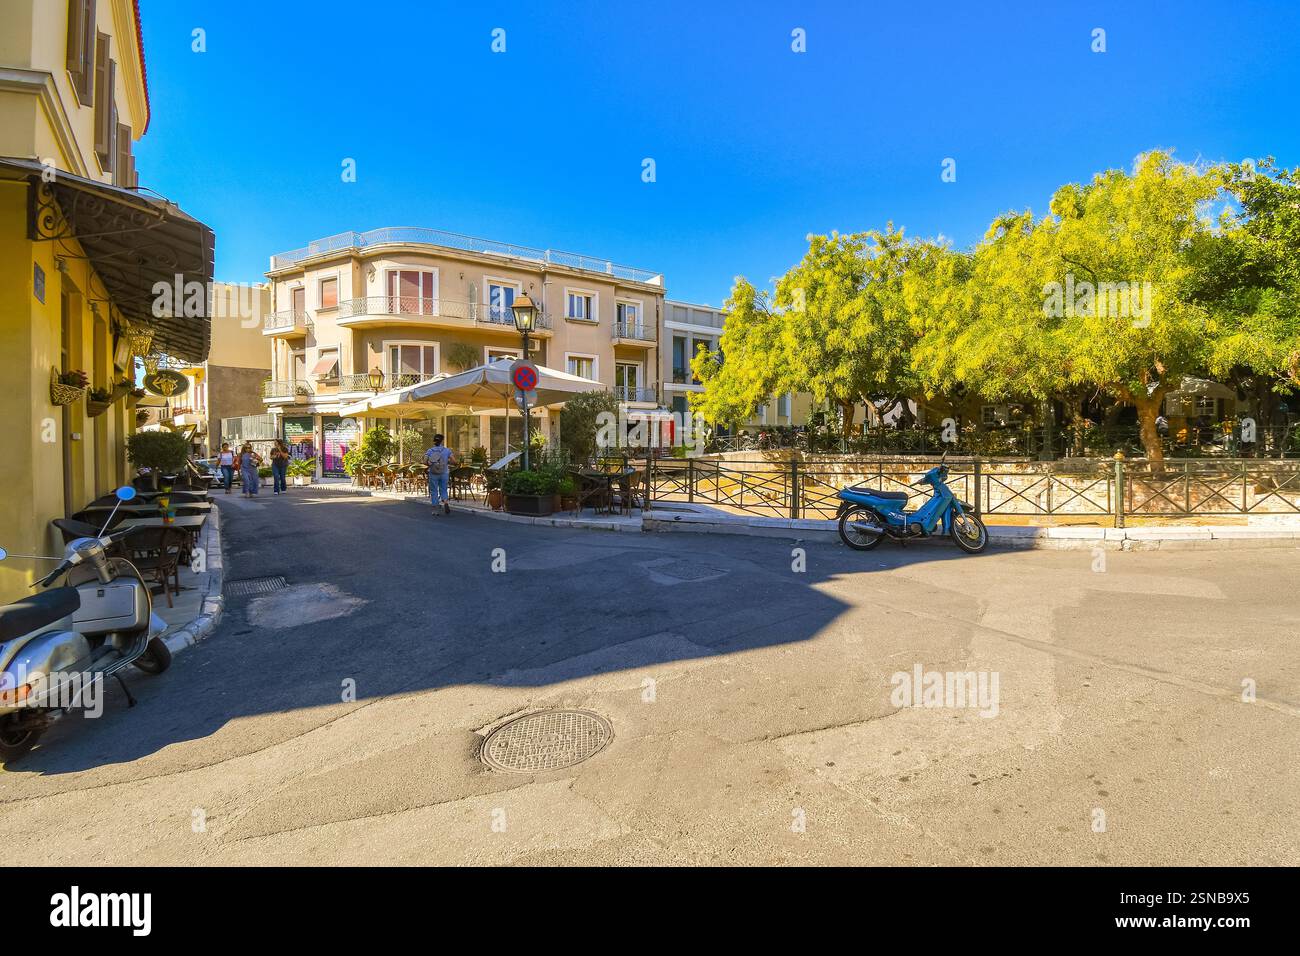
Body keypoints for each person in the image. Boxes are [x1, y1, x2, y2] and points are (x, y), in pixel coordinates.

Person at [424, 434, 456, 516]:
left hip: (433, 473)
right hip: (444, 473)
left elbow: (425, 461)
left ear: (434, 441)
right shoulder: (447, 450)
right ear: (442, 441)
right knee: (443, 489)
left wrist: (429, 463)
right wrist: (448, 462)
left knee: (434, 491)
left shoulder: (430, 450)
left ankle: (435, 510)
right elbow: (453, 461)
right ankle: (445, 502)